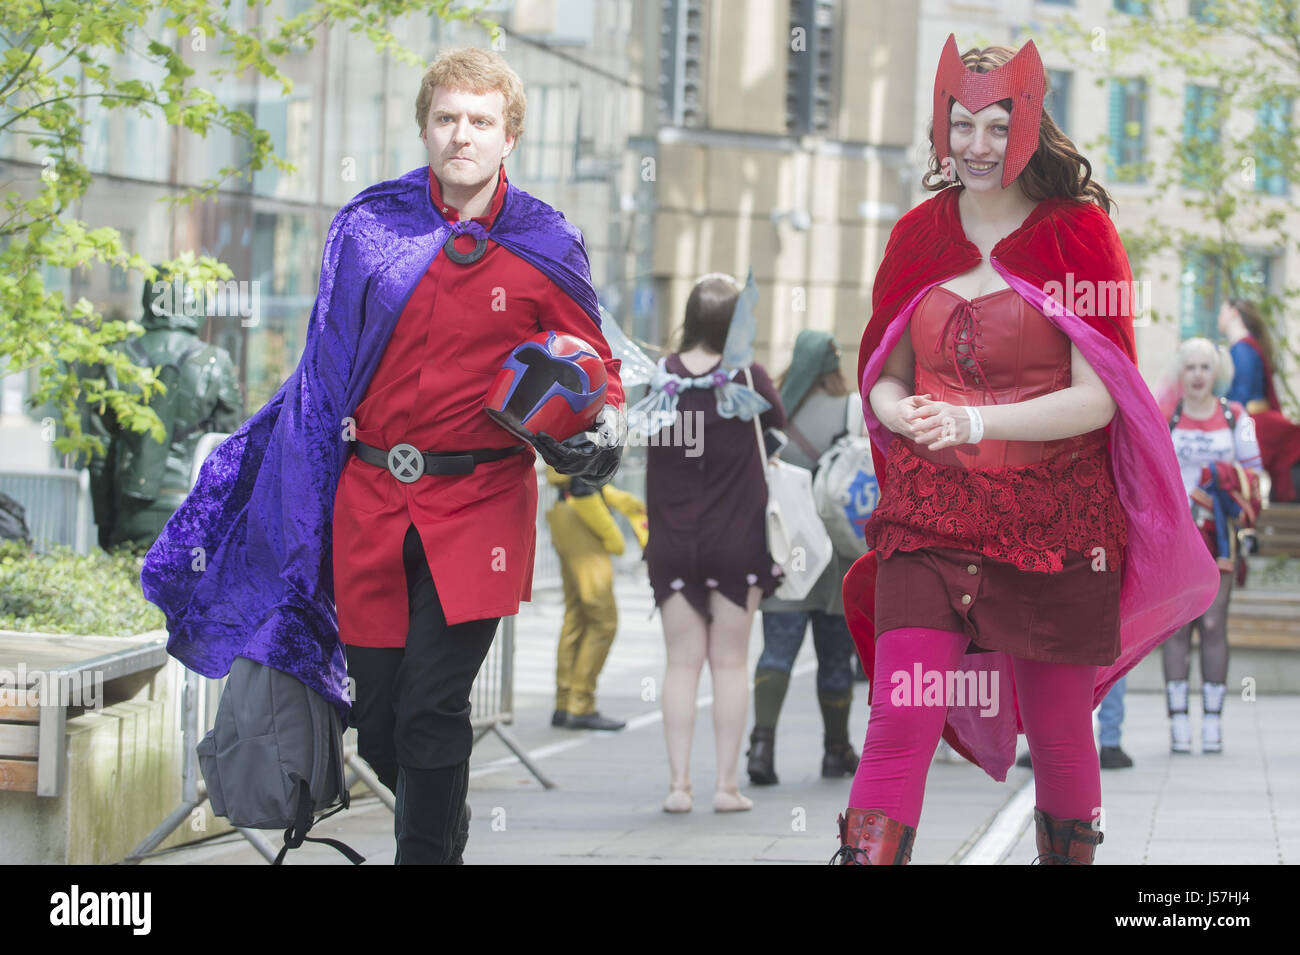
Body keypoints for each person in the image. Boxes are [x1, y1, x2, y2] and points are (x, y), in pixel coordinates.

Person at [141, 48, 625, 864]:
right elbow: (320, 380)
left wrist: (600, 429)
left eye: (480, 121)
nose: (461, 136)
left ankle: (424, 854)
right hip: (368, 501)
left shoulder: (547, 241)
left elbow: (598, 364)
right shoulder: (369, 227)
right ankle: (443, 830)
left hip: (478, 508)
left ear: (510, 137)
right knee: (383, 716)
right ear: (425, 128)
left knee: (434, 706)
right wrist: (288, 503)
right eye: (446, 119)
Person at [832, 36, 1219, 865]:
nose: (975, 145)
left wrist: (976, 423)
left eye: (996, 125)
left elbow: (1099, 394)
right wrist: (904, 416)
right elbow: (883, 376)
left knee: (1060, 735)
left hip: (1055, 522)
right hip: (927, 518)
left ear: (1030, 124)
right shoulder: (915, 236)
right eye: (961, 124)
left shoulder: (1080, 236)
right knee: (900, 716)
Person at [643, 273, 785, 813]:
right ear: (735, 322)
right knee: (729, 663)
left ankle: (679, 785)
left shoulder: (660, 378)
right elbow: (777, 428)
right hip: (738, 539)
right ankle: (725, 786)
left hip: (672, 541)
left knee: (681, 663)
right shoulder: (747, 376)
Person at [748, 330, 860, 785]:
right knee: (835, 656)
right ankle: (836, 751)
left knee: (777, 650)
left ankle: (761, 748)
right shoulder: (851, 409)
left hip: (785, 548)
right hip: (837, 553)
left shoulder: (770, 409)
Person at [84, 271, 243, 550]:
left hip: (132, 508)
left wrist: (105, 525)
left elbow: (100, 455)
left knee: (128, 586)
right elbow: (231, 451)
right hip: (193, 510)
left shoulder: (117, 359)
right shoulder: (217, 361)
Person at [1163, 337, 1262, 755]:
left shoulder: (1234, 415)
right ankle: (1179, 724)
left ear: (1215, 372)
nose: (1199, 375)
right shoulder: (1167, 416)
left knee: (1214, 624)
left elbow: (1255, 476)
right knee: (1178, 626)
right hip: (1176, 536)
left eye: (1206, 367)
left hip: (1219, 534)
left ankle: (1214, 723)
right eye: (1191, 368)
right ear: (1181, 373)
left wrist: (1230, 486)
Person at [545, 465, 647, 731]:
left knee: (576, 615)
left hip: (564, 513)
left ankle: (565, 701)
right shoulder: (588, 424)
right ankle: (580, 704)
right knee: (603, 621)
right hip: (581, 517)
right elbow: (583, 487)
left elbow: (580, 479)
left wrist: (614, 498)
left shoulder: (568, 423)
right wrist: (613, 535)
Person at [1219, 298, 1300, 503]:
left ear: (1234, 313)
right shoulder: (1244, 347)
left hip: (1252, 423)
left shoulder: (1242, 349)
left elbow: (1240, 397)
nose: (1219, 316)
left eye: (1222, 311)